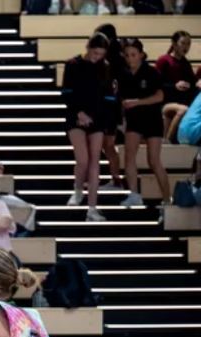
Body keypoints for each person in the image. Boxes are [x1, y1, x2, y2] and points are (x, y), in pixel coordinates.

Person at [62, 35, 113, 221]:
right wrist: (79, 113)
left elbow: (108, 97)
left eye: (100, 54)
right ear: (88, 47)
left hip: (97, 118)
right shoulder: (73, 64)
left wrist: (98, 118)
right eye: (94, 52)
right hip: (76, 117)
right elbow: (67, 93)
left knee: (95, 161)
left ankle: (92, 207)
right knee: (82, 159)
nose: (96, 57)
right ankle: (77, 190)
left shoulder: (105, 67)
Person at [117, 37, 169, 209]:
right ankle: (134, 194)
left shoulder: (152, 72)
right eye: (127, 55)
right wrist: (123, 115)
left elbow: (160, 96)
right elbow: (122, 99)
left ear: (141, 55)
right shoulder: (123, 75)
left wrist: (137, 102)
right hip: (134, 120)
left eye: (133, 54)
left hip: (152, 119)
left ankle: (167, 199)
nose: (130, 58)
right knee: (129, 156)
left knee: (154, 160)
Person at [157, 31, 197, 142]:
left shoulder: (186, 63)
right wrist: (174, 86)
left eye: (188, 44)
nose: (186, 47)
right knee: (182, 110)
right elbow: (156, 84)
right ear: (174, 44)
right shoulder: (164, 60)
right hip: (165, 103)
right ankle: (167, 140)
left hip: (182, 102)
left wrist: (193, 84)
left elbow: (193, 83)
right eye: (183, 43)